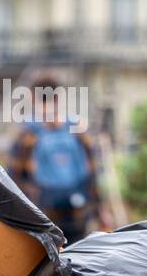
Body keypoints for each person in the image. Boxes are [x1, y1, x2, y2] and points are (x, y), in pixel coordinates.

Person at [8, 76, 102, 244]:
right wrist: (98, 210)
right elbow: (93, 172)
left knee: (51, 262)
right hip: (78, 212)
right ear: (59, 98)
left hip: (43, 216)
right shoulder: (77, 129)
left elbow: (14, 179)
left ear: (32, 98)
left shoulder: (27, 134)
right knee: (78, 255)